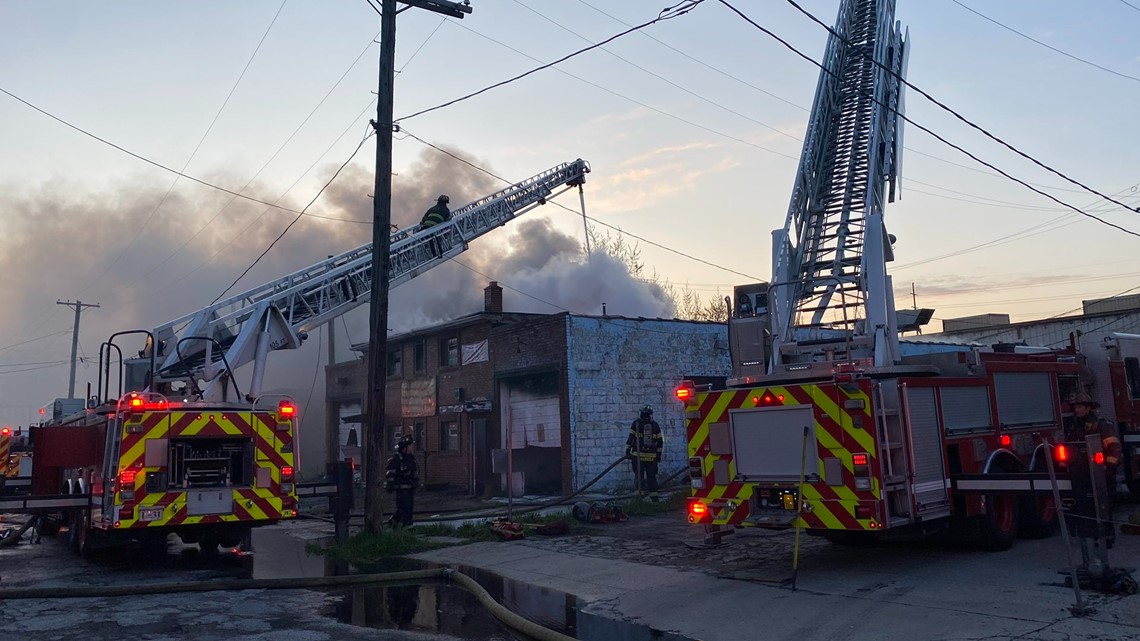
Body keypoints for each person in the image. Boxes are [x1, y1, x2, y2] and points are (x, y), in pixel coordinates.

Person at [1065, 392, 1122, 543]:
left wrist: (1107, 468)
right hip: (1081, 474)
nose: (1077, 410)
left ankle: (1107, 535)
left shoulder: (1101, 426)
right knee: (1085, 506)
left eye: (1080, 407)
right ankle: (1090, 536)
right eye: (1075, 407)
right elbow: (1070, 448)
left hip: (1101, 474)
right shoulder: (1074, 428)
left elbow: (1114, 448)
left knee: (1103, 505)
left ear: (1088, 408)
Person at [626, 404, 663, 501]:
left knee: (639, 477)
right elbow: (660, 442)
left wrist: (627, 450)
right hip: (652, 457)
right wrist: (658, 455)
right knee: (652, 477)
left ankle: (639, 498)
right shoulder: (655, 425)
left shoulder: (636, 423)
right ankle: (654, 498)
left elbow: (631, 438)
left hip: (638, 456)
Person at [384, 435, 419, 527]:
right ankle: (405, 526)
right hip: (401, 489)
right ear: (405, 447)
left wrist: (416, 481)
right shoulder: (396, 459)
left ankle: (396, 524)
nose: (412, 448)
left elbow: (415, 471)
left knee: (408, 508)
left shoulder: (411, 458)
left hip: (410, 488)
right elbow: (390, 472)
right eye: (410, 446)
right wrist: (390, 484)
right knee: (404, 508)